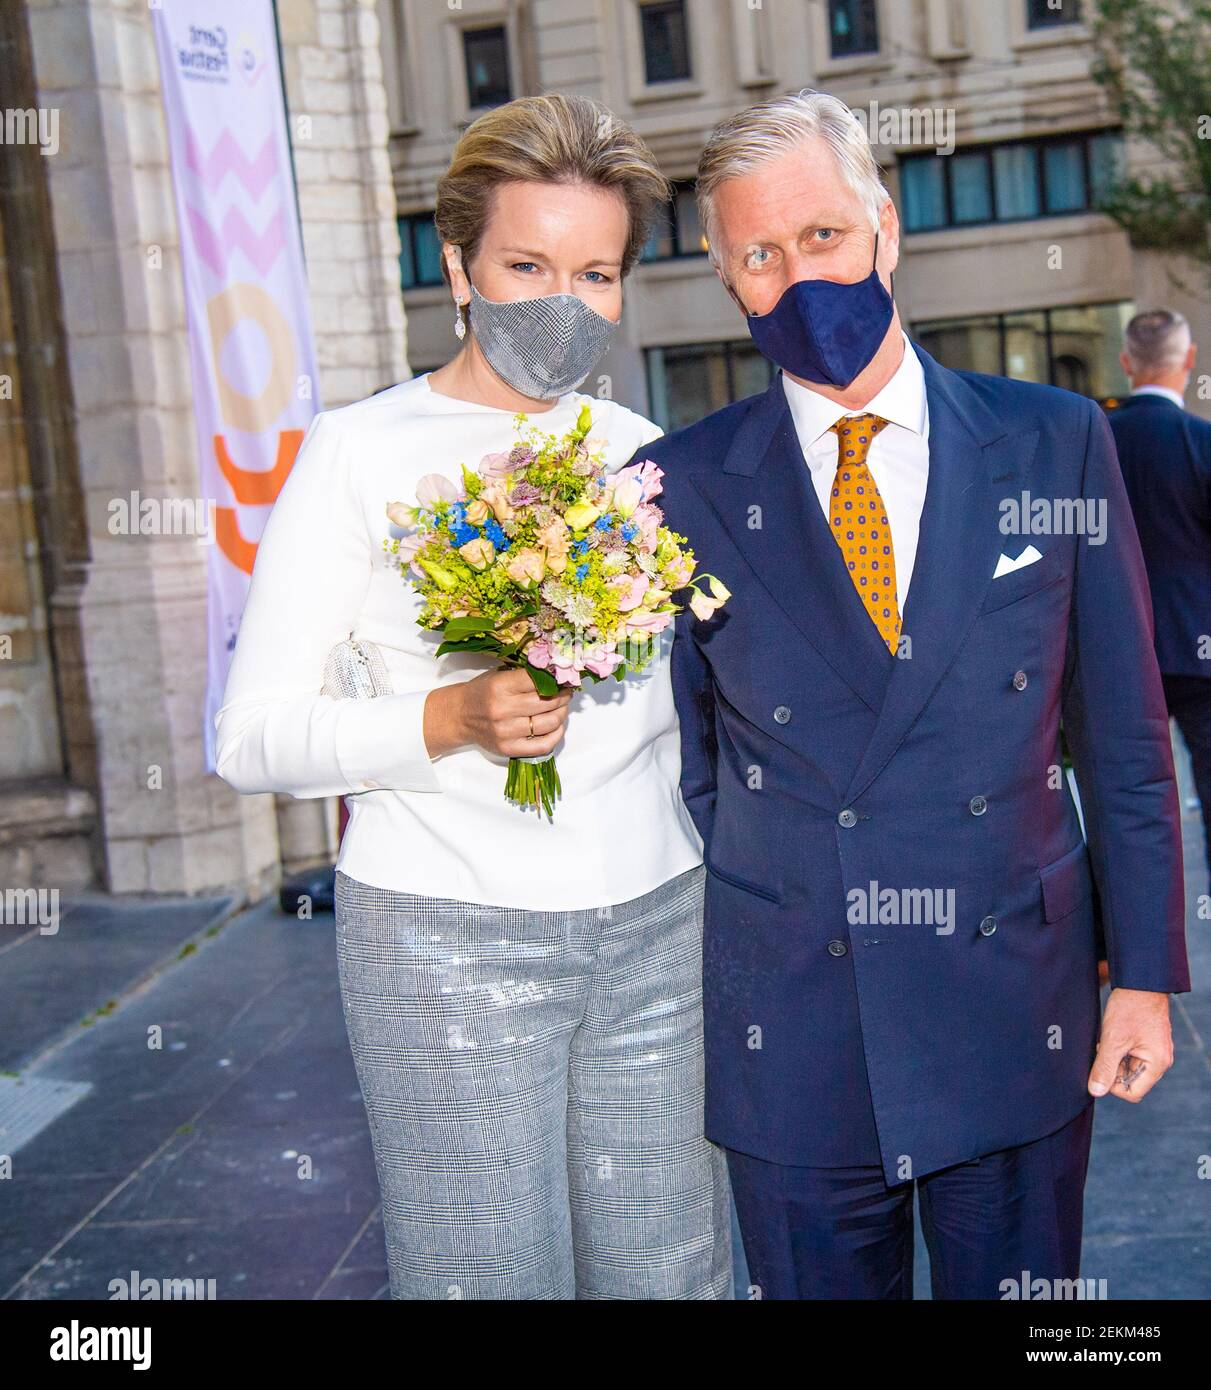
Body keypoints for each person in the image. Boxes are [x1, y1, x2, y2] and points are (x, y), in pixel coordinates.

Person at [639, 89, 1190, 1300]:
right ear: (726, 280)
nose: (798, 279)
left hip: (1013, 1004)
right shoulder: (673, 489)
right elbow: (696, 760)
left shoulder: (1053, 442)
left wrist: (1139, 974)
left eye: (822, 237)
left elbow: (1124, 744)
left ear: (883, 229)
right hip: (793, 1027)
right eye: (758, 257)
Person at [214, 92, 732, 1301]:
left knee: (677, 1275)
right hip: (443, 942)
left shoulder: (640, 449)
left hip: (661, 922)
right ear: (457, 266)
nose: (564, 302)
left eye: (595, 273)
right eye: (527, 263)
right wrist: (446, 719)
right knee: (484, 1274)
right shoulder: (354, 451)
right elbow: (250, 737)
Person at [1109, 309, 1211, 876]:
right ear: (1188, 360)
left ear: (1126, 363)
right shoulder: (1201, 441)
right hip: (1201, 647)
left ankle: (1128, 939)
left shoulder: (1094, 442)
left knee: (1128, 806)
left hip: (1122, 652)